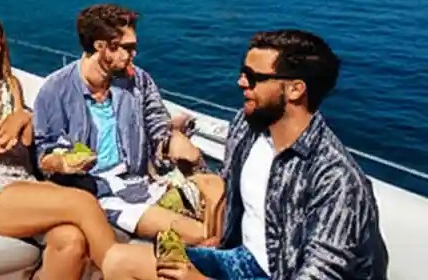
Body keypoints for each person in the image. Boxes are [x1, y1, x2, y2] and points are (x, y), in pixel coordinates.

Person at [0, 9, 163, 280]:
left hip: (22, 179)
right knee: (82, 202)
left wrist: (23, 119)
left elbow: (28, 141)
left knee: (71, 241)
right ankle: (120, 269)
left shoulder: (11, 85)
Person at [158, 30, 387, 280]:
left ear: (295, 90)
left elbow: (321, 273)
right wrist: (222, 242)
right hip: (248, 260)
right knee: (122, 261)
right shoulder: (246, 128)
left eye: (253, 77)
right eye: (243, 72)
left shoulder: (336, 179)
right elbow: (238, 202)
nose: (241, 82)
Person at [33, 4, 218, 244]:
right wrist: (64, 162)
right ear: (101, 47)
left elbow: (156, 123)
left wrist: (170, 142)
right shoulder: (55, 90)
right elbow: (45, 152)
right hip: (98, 194)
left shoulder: (138, 80)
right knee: (200, 234)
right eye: (127, 48)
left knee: (221, 209)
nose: (133, 55)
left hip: (143, 184)